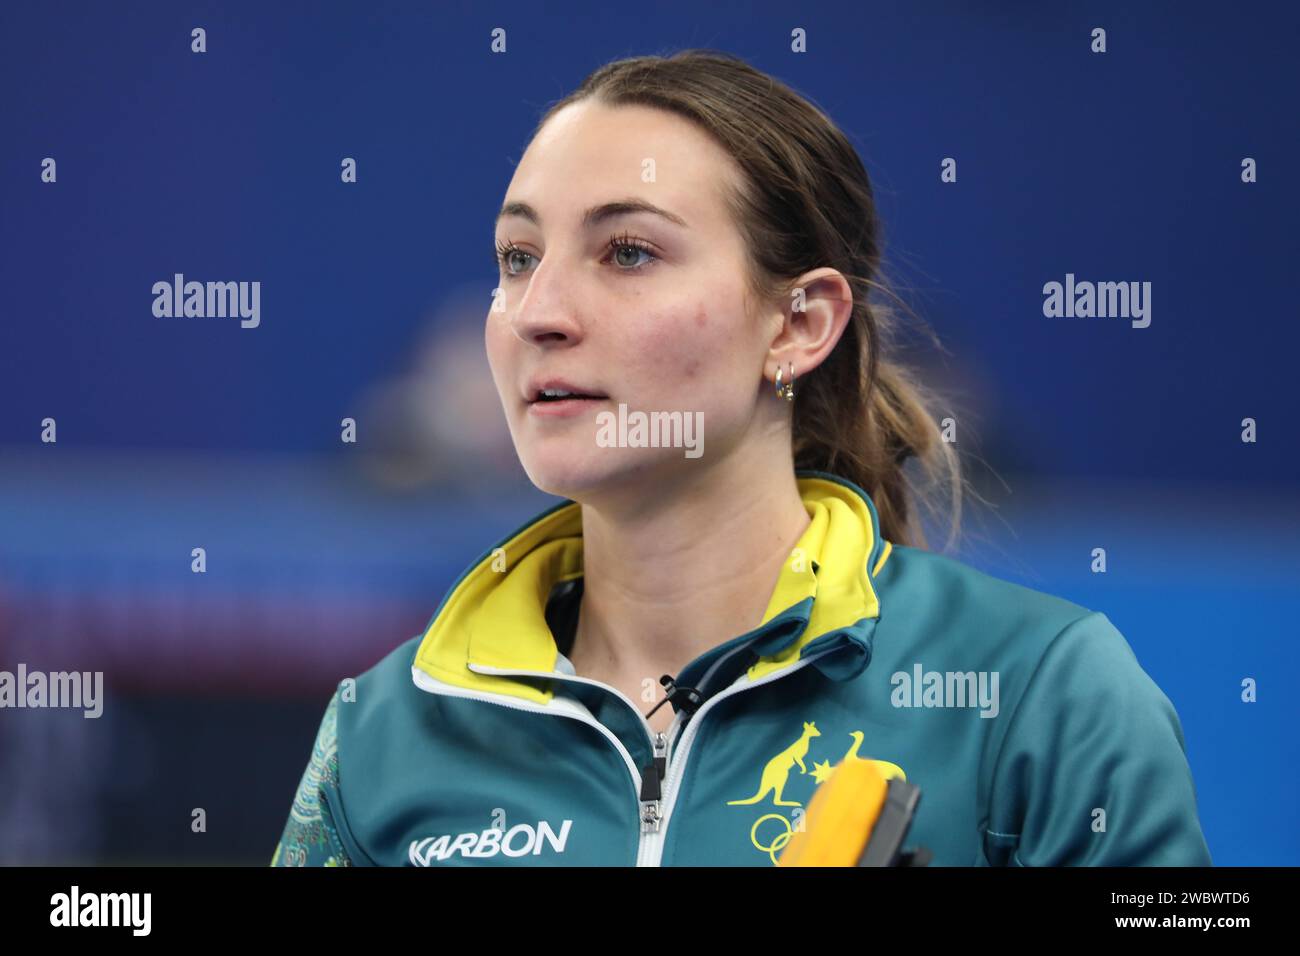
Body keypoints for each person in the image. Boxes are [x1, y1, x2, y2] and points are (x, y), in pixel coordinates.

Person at [271, 49, 1211, 867]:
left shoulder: (1042, 691)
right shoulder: (385, 727)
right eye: (517, 257)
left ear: (800, 325)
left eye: (628, 252)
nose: (536, 312)